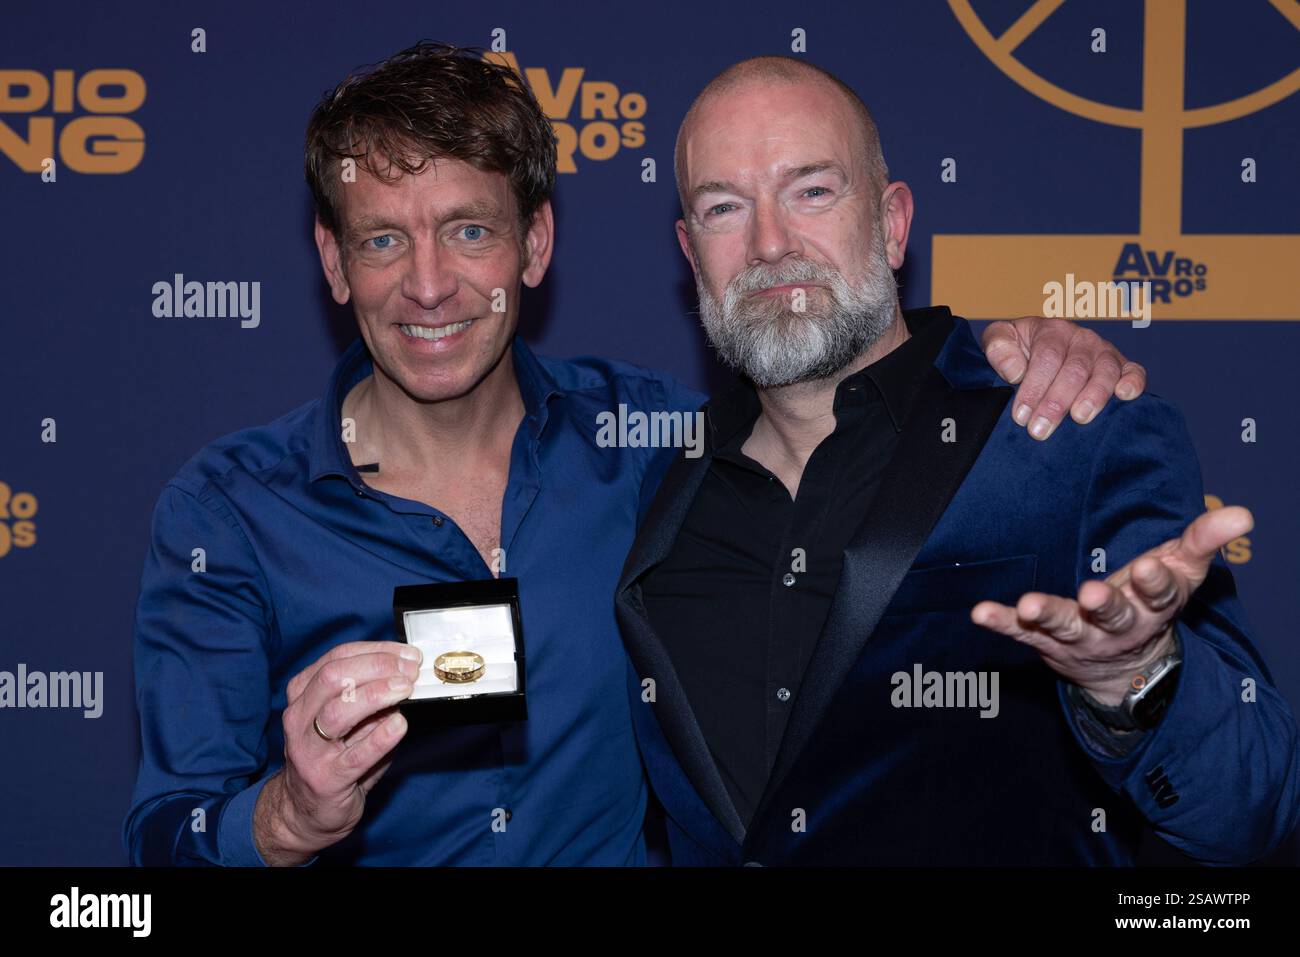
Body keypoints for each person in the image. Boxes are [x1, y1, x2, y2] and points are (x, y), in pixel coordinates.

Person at [123, 42, 1145, 866]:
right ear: (332, 263)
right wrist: (289, 818)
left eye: (469, 231)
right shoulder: (229, 513)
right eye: (383, 241)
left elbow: (846, 372)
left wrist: (1020, 348)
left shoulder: (661, 445)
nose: (426, 286)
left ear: (534, 246)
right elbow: (165, 845)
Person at [617, 55, 1300, 865]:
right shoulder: (656, 483)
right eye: (725, 206)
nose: (770, 243)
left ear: (894, 223)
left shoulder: (1074, 430)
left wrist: (1137, 678)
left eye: (812, 191)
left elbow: (1257, 809)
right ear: (692, 253)